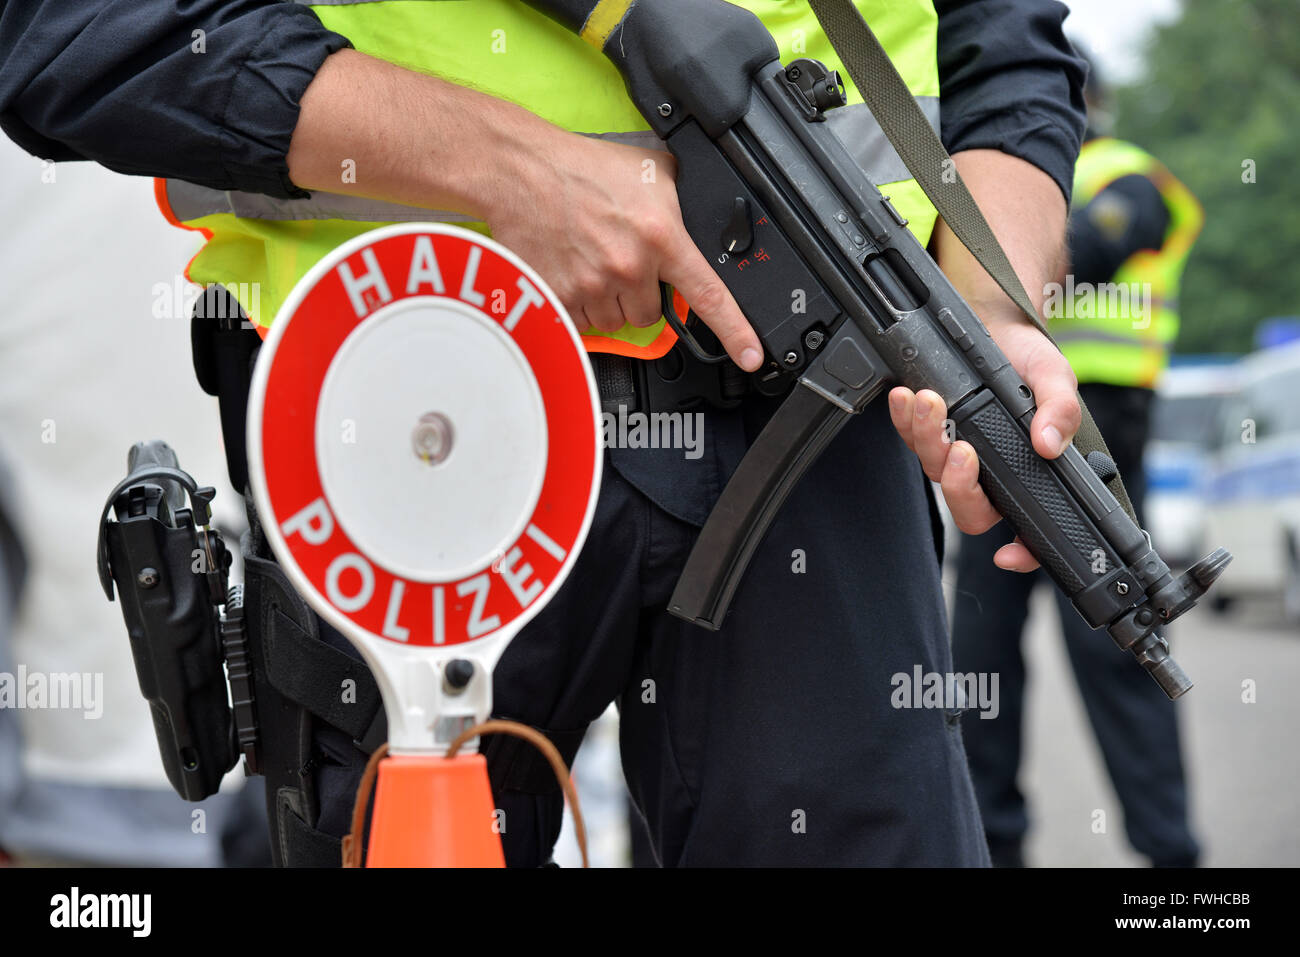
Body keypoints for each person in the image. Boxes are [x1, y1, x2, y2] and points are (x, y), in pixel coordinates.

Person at [0, 0, 1090, 866]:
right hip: (407, 405)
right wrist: (502, 167)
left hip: (815, 420)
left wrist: (983, 309)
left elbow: (1006, 41)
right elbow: (74, 32)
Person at [950, 46, 1204, 868]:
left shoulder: (1127, 176)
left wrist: (1013, 264)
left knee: (1117, 643)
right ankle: (994, 848)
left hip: (1096, 434)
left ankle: (1170, 866)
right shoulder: (988, 180)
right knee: (979, 658)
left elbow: (1097, 246)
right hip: (1000, 429)